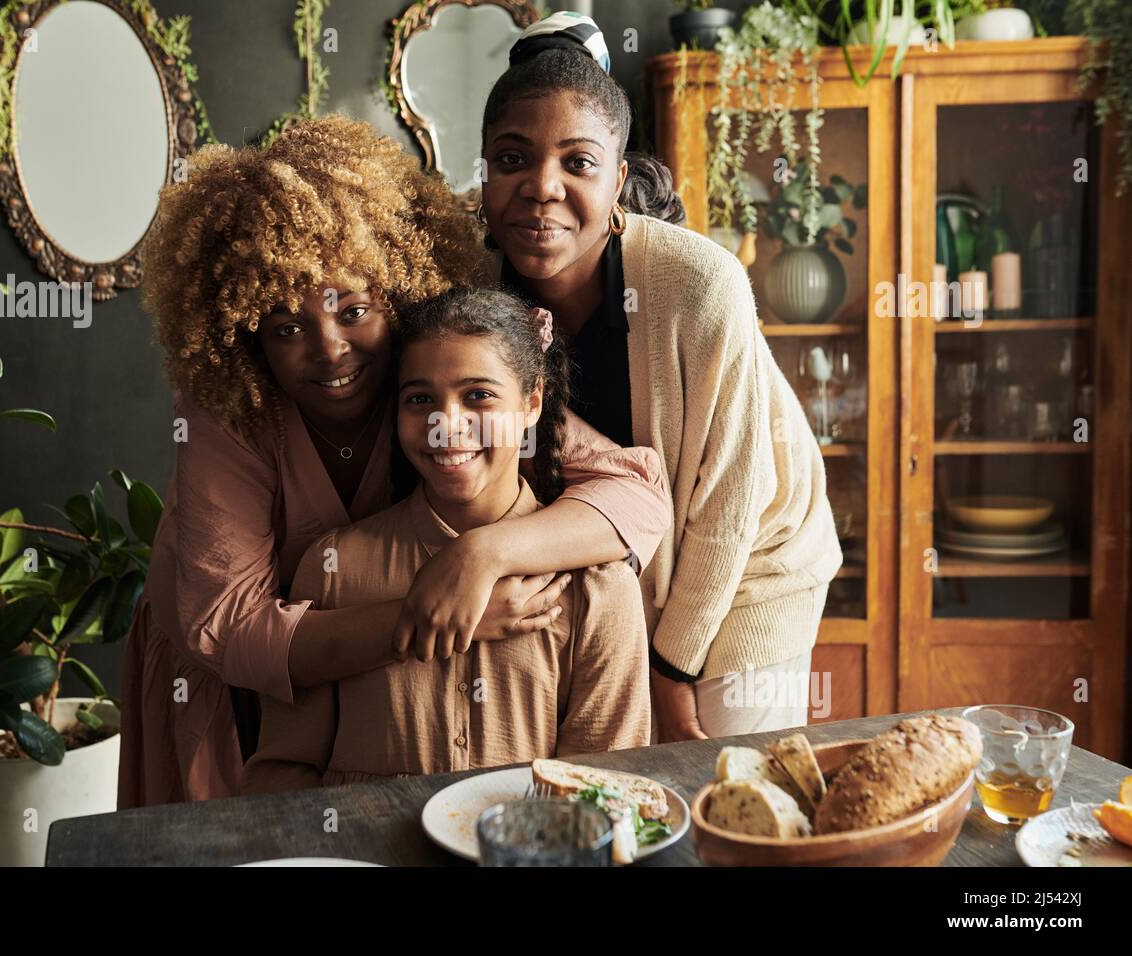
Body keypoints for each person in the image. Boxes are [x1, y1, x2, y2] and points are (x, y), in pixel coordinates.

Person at [119, 116, 670, 807]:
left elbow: (638, 495)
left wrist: (482, 558)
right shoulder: (227, 410)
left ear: (400, 293)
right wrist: (429, 614)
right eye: (287, 327)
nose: (331, 350)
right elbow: (228, 629)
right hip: (218, 671)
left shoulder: (428, 383)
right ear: (245, 335)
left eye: (353, 310)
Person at [477, 13, 843, 739]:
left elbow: (734, 497)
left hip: (751, 565)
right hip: (618, 570)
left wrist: (673, 671)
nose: (541, 187)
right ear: (482, 171)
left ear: (617, 180)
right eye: (513, 159)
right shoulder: (476, 292)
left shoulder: (698, 283)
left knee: (728, 792)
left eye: (577, 163)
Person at [242, 288, 651, 791]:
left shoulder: (601, 588)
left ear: (532, 402)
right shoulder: (333, 566)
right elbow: (285, 768)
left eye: (478, 395)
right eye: (420, 399)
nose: (444, 424)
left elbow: (600, 791)